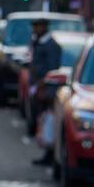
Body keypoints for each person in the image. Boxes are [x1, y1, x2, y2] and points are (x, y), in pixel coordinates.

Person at [28, 19, 62, 166]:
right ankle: (48, 153)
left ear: (44, 27)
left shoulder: (51, 45)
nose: (34, 29)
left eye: (37, 26)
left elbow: (52, 70)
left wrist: (43, 87)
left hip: (48, 90)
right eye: (34, 26)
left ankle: (51, 155)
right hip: (38, 88)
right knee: (43, 121)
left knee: (49, 122)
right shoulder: (38, 42)